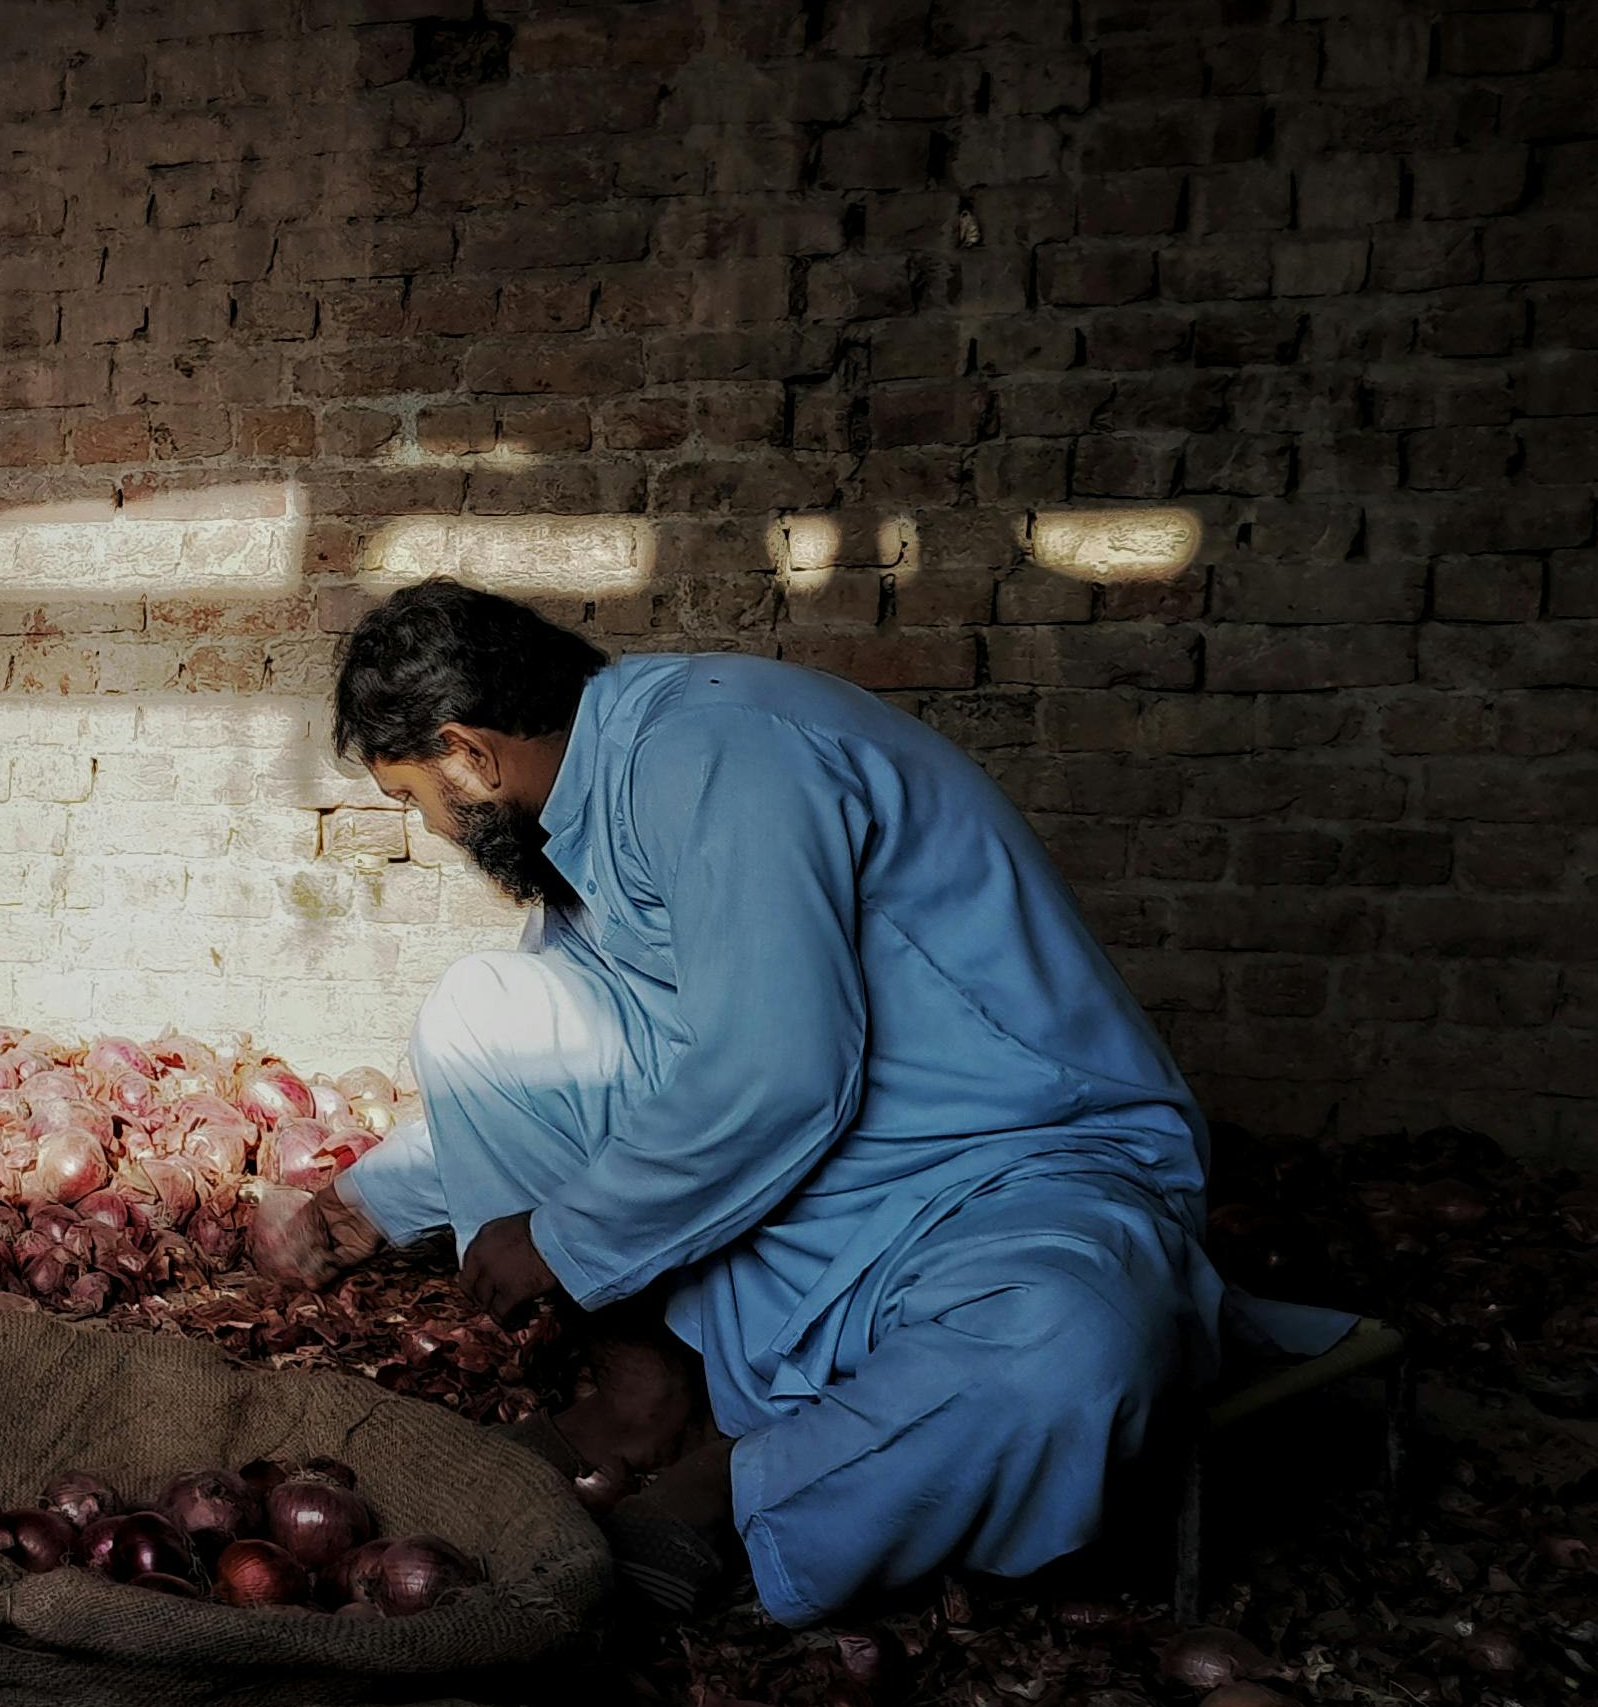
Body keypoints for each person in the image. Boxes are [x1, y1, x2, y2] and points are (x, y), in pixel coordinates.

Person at [260, 580, 1349, 1624]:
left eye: (415, 799)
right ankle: (648, 1399)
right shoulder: (599, 814)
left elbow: (778, 1076)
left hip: (1005, 1182)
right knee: (487, 1004)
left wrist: (563, 1237)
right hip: (813, 1195)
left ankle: (741, 1482)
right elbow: (574, 1050)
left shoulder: (712, 751)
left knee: (1069, 1349)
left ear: (468, 753)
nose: (439, 834)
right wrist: (368, 1206)